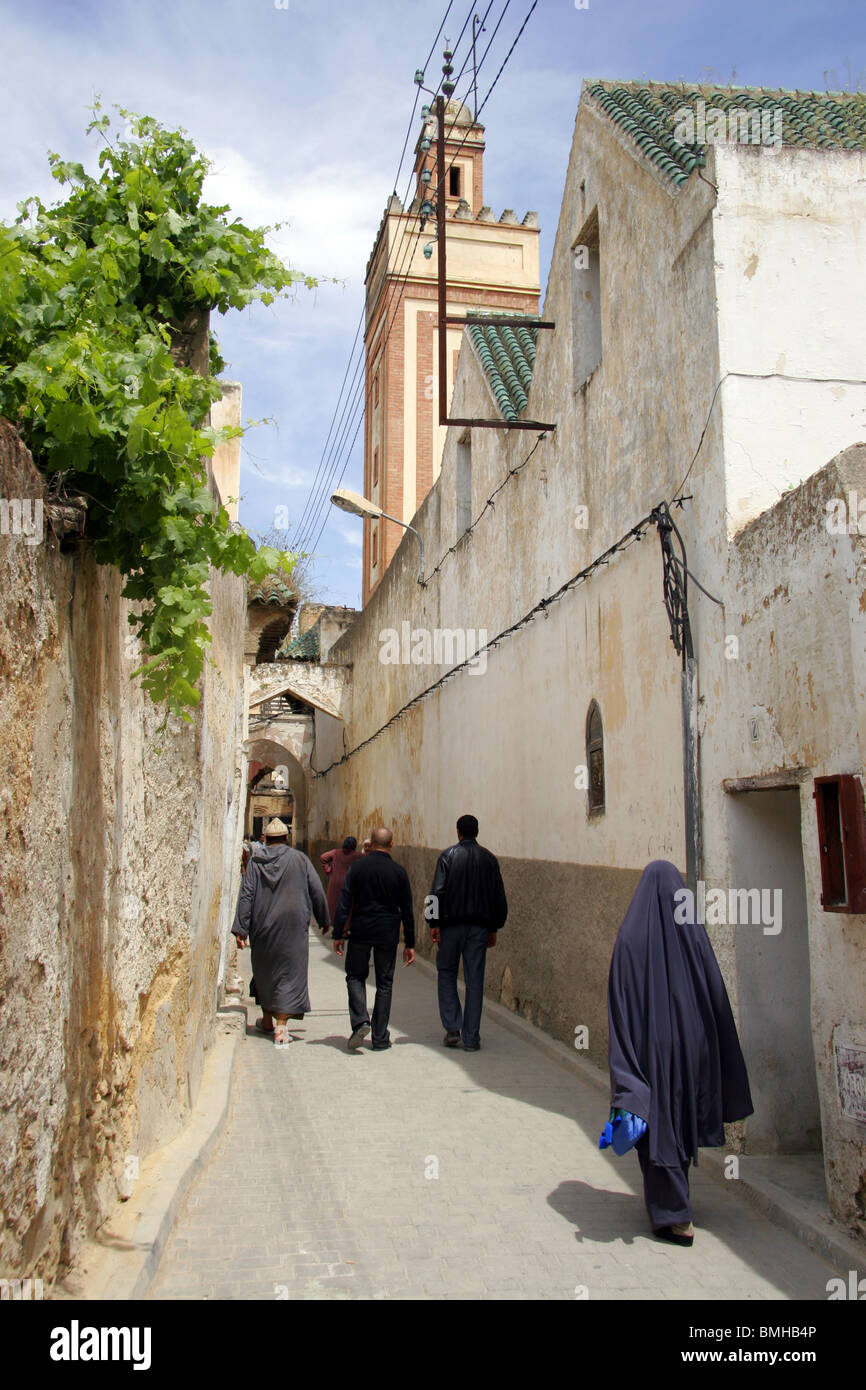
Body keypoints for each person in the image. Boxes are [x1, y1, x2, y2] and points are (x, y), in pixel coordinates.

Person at [606, 859, 754, 1247]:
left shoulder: (628, 939)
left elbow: (619, 1001)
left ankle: (675, 1216)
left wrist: (625, 1059)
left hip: (648, 1054)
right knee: (678, 1121)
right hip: (692, 1050)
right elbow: (714, 994)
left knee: (658, 1128)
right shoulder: (693, 933)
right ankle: (674, 1207)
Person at [232, 817, 329, 1047]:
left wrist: (241, 928)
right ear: (286, 838)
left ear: (265, 839)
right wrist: (324, 919)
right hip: (293, 928)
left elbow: (246, 894)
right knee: (289, 972)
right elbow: (316, 889)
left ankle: (267, 1018)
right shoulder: (300, 859)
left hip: (263, 925)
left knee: (265, 969)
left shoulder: (255, 863)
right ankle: (281, 1025)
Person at [429, 814, 508, 1052]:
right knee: (475, 980)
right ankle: (471, 1037)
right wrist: (494, 926)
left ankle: (453, 1028)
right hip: (479, 928)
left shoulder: (447, 857)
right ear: (477, 832)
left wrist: (433, 922)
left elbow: (436, 893)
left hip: (451, 927)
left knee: (446, 972)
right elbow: (498, 898)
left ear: (458, 832)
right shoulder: (489, 860)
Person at [332, 826, 415, 1051]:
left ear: (372, 843)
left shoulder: (357, 868)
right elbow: (407, 908)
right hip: (387, 932)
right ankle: (379, 1037)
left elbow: (344, 901)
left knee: (355, 976)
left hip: (361, 930)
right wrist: (410, 943)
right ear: (391, 844)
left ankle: (360, 1020)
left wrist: (338, 933)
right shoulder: (398, 871)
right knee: (384, 984)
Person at [320, 836, 360, 934]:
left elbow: (323, 857)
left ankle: (334, 925)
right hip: (349, 883)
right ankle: (344, 930)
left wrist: (328, 870)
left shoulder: (335, 852)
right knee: (348, 907)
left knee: (334, 905)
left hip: (334, 883)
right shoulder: (356, 855)